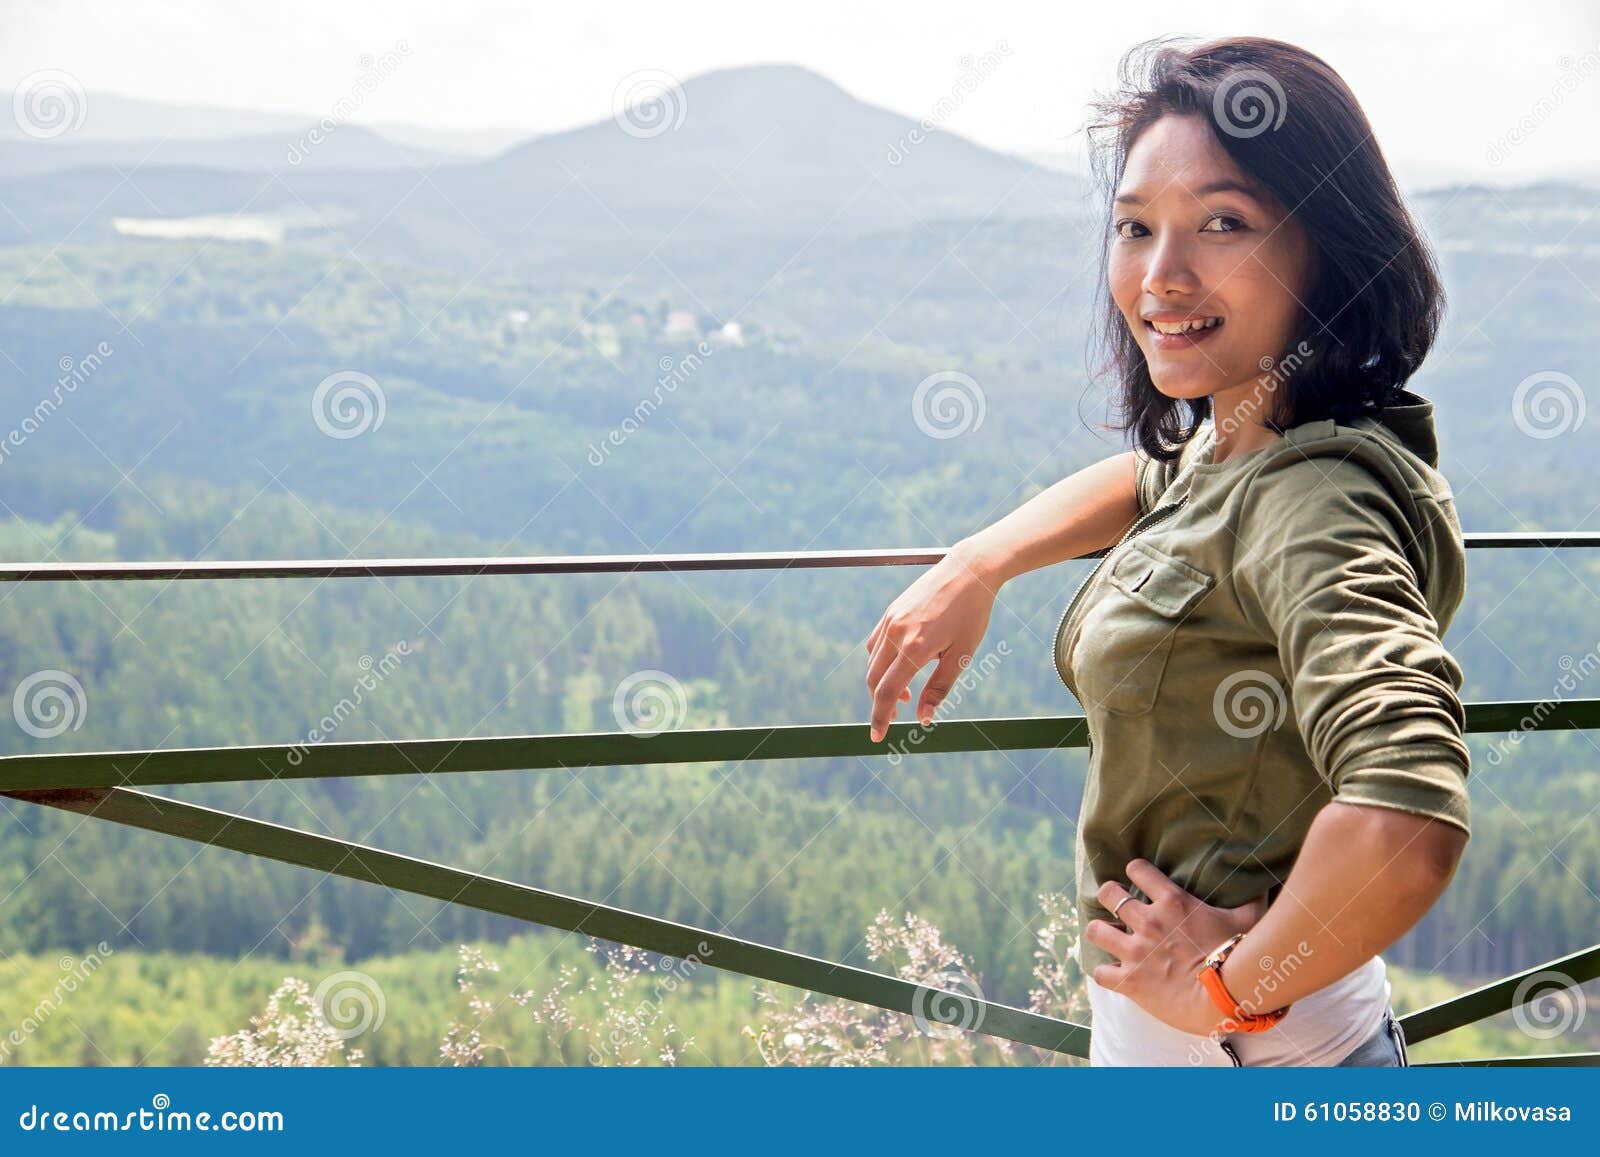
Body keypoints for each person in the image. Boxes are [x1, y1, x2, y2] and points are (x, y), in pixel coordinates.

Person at [863, 35, 1470, 1066]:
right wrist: (979, 564)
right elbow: (1154, 482)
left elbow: (1404, 818)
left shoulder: (1310, 499)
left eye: (1221, 223)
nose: (1160, 274)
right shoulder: (1245, 441)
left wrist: (1229, 995)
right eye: (1134, 226)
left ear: (1328, 248)